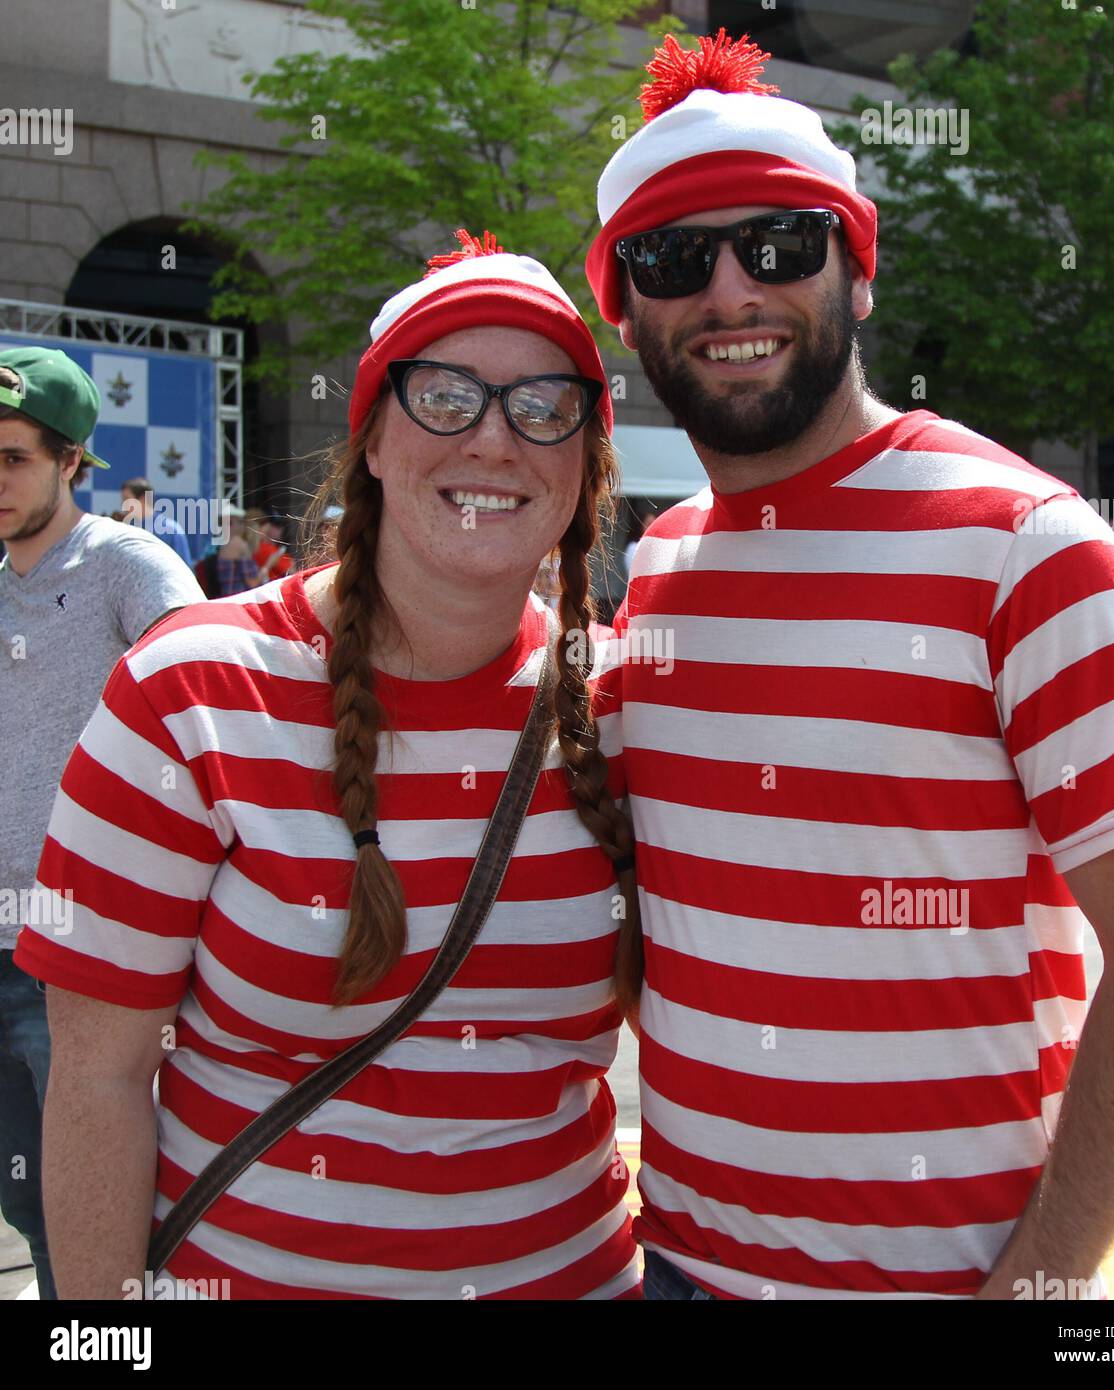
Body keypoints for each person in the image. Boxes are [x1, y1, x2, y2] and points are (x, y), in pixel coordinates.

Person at [587, 30, 1114, 1300]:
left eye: (777, 245)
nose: (729, 293)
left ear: (856, 272)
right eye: (672, 258)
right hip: (679, 1272)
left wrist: (1042, 1283)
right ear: (625, 308)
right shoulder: (655, 565)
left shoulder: (1027, 548)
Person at [17, 233, 642, 1299]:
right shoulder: (192, 691)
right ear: (373, 442)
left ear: (583, 464)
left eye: (544, 406)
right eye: (445, 396)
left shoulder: (624, 703)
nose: (495, 439)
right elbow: (96, 1079)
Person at [0, 346, 204, 1299]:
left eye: (14, 459)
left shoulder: (129, 564)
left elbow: (214, 709)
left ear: (72, 461)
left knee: (99, 1209)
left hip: (94, 950)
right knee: (30, 1201)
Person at [120, 476, 194, 567]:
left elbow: (185, 569)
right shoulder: (125, 530)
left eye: (127, 499)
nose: (123, 505)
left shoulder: (171, 530)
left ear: (143, 498)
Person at [194, 504, 262, 598]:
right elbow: (252, 583)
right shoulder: (239, 544)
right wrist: (268, 567)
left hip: (225, 599)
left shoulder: (221, 546)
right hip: (238, 600)